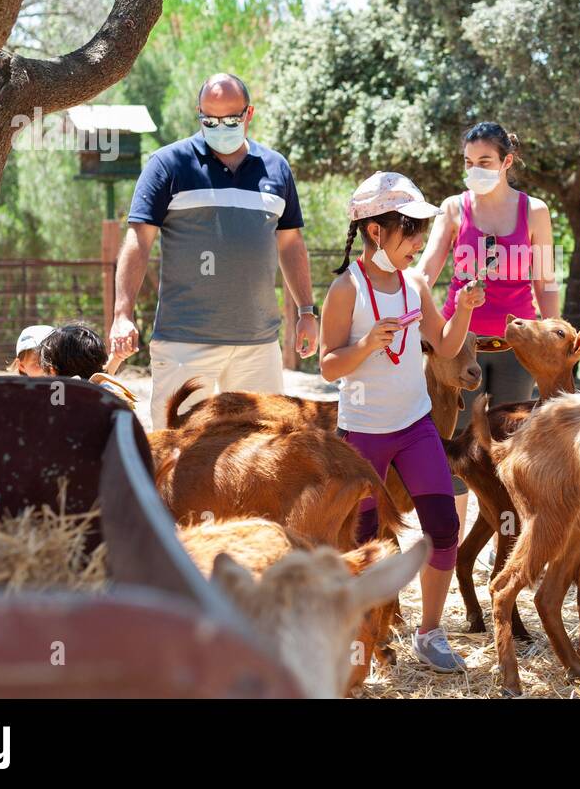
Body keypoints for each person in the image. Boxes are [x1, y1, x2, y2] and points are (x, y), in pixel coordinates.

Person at [320, 171, 486, 673]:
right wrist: (366, 345)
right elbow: (328, 365)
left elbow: (448, 345)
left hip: (415, 428)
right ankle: (359, 640)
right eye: (409, 230)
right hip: (362, 434)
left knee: (443, 528)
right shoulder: (346, 289)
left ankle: (430, 632)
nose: (418, 242)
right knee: (363, 543)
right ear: (376, 231)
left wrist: (465, 309)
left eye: (419, 230)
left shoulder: (415, 284)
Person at [109, 73, 319, 430]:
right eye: (210, 120)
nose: (220, 127)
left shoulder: (276, 168)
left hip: (259, 345)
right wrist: (122, 313)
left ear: (248, 114)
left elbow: (291, 243)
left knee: (266, 454)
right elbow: (138, 241)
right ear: (199, 115)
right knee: (179, 458)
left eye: (230, 120)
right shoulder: (168, 164)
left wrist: (306, 311)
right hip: (183, 344)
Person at [418, 121, 558, 536]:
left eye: (484, 162)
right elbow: (426, 272)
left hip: (516, 351)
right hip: (459, 350)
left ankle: (507, 552)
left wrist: (550, 337)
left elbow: (546, 281)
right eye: (468, 162)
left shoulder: (535, 211)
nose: (474, 169)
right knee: (457, 451)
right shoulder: (452, 208)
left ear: (506, 162)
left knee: (506, 450)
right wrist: (421, 321)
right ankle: (448, 545)